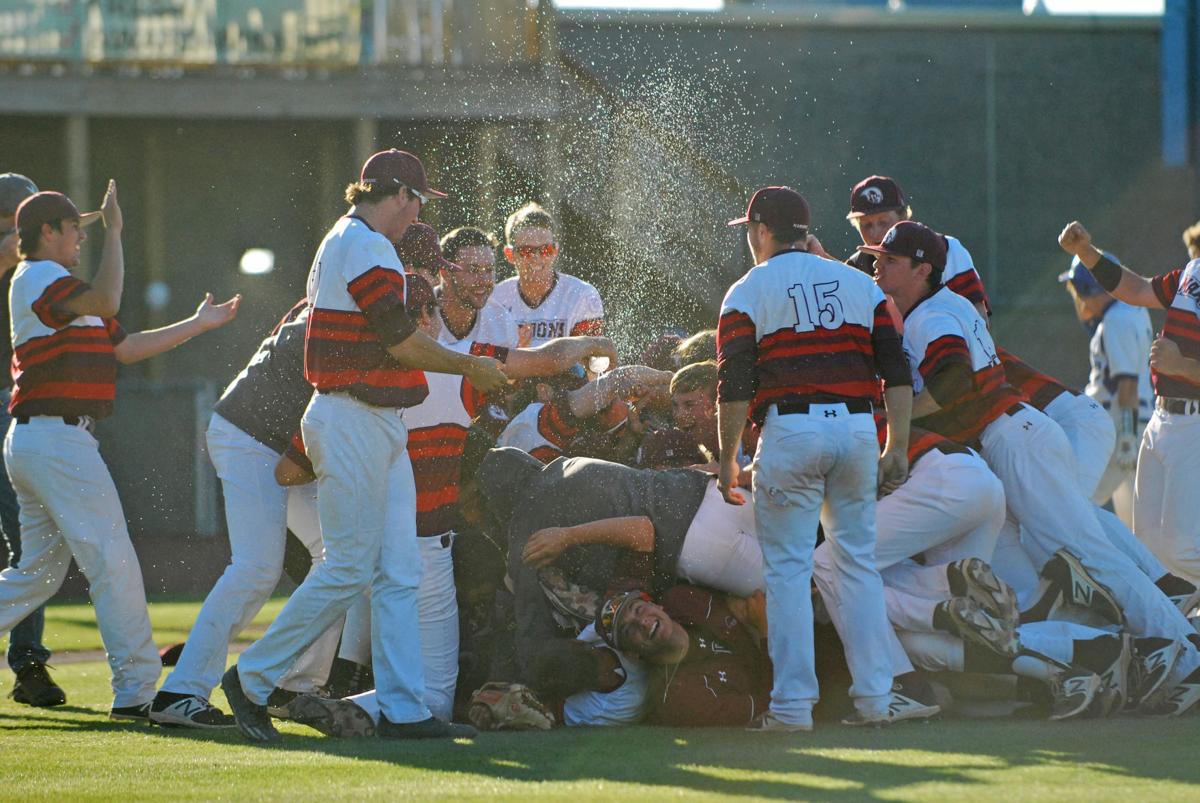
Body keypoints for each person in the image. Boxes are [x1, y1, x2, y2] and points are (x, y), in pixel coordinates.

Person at [221, 149, 508, 743]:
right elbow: (401, 341)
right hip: (351, 416)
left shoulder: (349, 239)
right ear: (399, 194)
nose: (418, 216)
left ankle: (403, 708)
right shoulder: (365, 244)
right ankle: (250, 679)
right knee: (349, 568)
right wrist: (470, 366)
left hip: (374, 420)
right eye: (418, 202)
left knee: (399, 569)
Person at [873, 218, 1200, 717]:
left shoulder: (930, 317)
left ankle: (1180, 651)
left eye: (890, 260)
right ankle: (1159, 641)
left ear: (922, 269)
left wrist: (895, 418)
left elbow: (955, 386)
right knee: (1073, 549)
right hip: (1019, 436)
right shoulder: (941, 306)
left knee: (1086, 552)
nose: (878, 268)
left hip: (1015, 438)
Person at [0, 182, 240, 720]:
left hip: (45, 439)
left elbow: (126, 348)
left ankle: (134, 687)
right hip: (56, 440)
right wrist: (115, 231)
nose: (80, 239)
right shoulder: (39, 275)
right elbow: (108, 300)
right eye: (73, 229)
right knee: (113, 562)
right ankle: (136, 691)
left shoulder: (59, 287)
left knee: (36, 575)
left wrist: (198, 324)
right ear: (47, 232)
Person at [717, 186, 913, 731]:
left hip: (792, 429)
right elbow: (895, 370)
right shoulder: (859, 283)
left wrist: (729, 456)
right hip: (856, 428)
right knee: (857, 565)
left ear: (761, 231)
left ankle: (791, 706)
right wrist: (896, 445)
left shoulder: (747, 289)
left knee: (787, 572)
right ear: (804, 231)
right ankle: (876, 699)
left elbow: (733, 383)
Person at [149, 299, 336, 729]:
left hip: (271, 440)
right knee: (256, 568)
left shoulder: (338, 297)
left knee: (342, 557)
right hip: (252, 437)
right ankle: (181, 691)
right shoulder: (347, 304)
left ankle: (294, 685)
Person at [1057, 222, 1200, 590]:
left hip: (1193, 422)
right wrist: (1086, 253)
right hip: (1160, 419)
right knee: (1149, 547)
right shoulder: (1192, 271)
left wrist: (1182, 366)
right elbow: (1137, 289)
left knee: (1182, 546)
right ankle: (1182, 619)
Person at [0, 172, 63, 707]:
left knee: (30, 541)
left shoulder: (37, 269)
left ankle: (28, 663)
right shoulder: (16, 257)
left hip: (15, 408)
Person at [1060, 259, 1153, 526]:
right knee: (1134, 524)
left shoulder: (1117, 319)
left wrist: (1126, 436)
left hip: (1119, 425)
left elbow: (1127, 384)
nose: (1080, 301)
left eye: (1079, 292)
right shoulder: (1132, 309)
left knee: (1073, 504)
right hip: (1134, 422)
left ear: (1092, 289)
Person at [843, 175, 990, 319]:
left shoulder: (947, 249)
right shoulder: (855, 267)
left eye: (883, 222)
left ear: (903, 217)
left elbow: (979, 318)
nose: (875, 232)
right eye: (866, 225)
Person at [490, 203, 604, 345]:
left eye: (545, 250)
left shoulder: (581, 295)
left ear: (555, 251)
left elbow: (590, 356)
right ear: (509, 254)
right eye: (527, 251)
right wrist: (516, 349)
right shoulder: (495, 299)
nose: (536, 258)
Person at [437, 226, 519, 347]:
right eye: (473, 270)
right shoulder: (419, 315)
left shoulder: (502, 323)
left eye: (489, 270)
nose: (483, 281)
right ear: (445, 272)